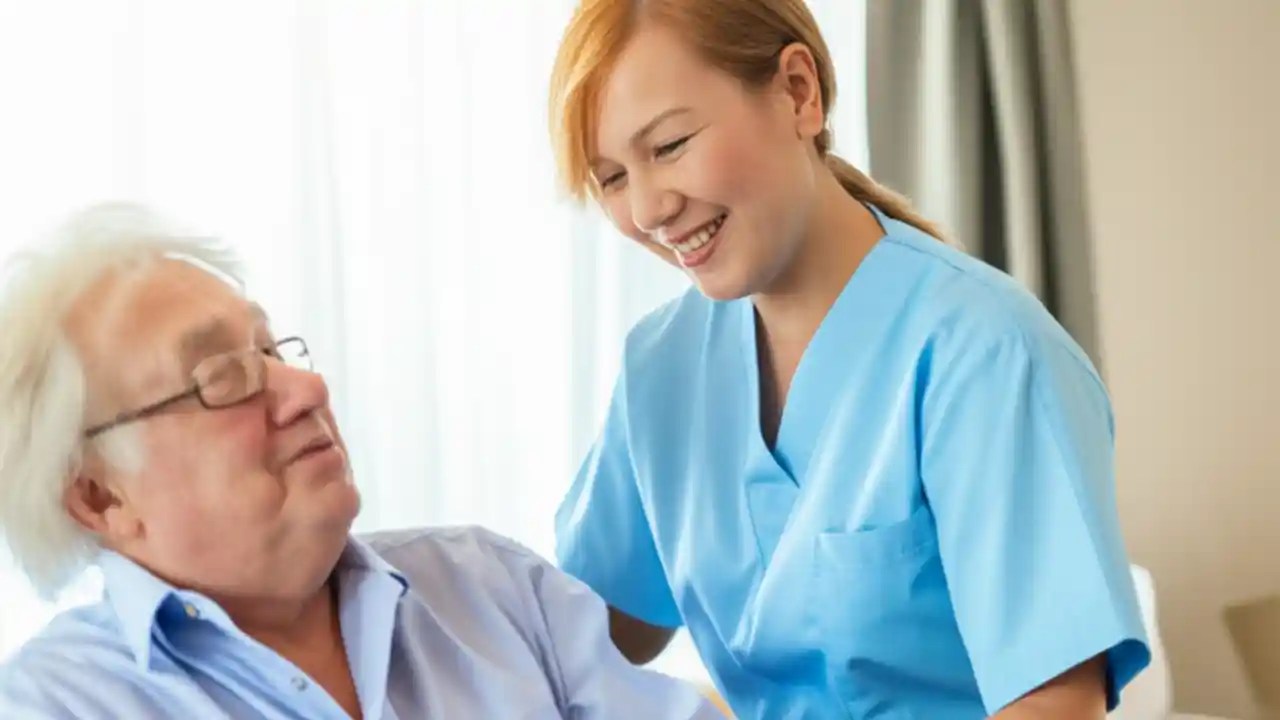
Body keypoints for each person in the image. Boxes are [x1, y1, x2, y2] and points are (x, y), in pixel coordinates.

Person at [547, 1, 1151, 718]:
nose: (647, 208)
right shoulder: (662, 369)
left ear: (798, 91)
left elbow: (1054, 702)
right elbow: (581, 636)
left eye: (670, 145)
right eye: (611, 177)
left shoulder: (983, 352)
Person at [0, 203, 721, 720]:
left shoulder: (495, 591)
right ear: (99, 499)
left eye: (274, 352)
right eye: (223, 377)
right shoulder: (56, 703)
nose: (307, 388)